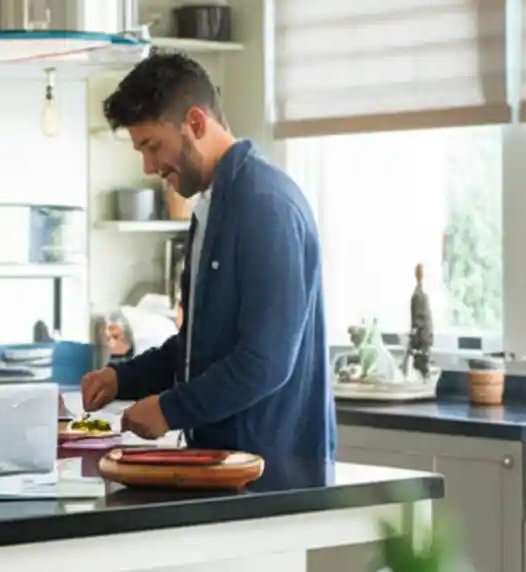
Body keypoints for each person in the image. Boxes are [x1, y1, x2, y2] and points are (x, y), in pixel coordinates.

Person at [80, 52, 335, 466]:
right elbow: (199, 347)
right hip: (223, 466)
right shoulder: (212, 208)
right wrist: (122, 378)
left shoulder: (265, 205)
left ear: (196, 124)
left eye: (152, 145)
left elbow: (263, 363)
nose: (148, 166)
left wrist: (169, 410)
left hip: (269, 479)